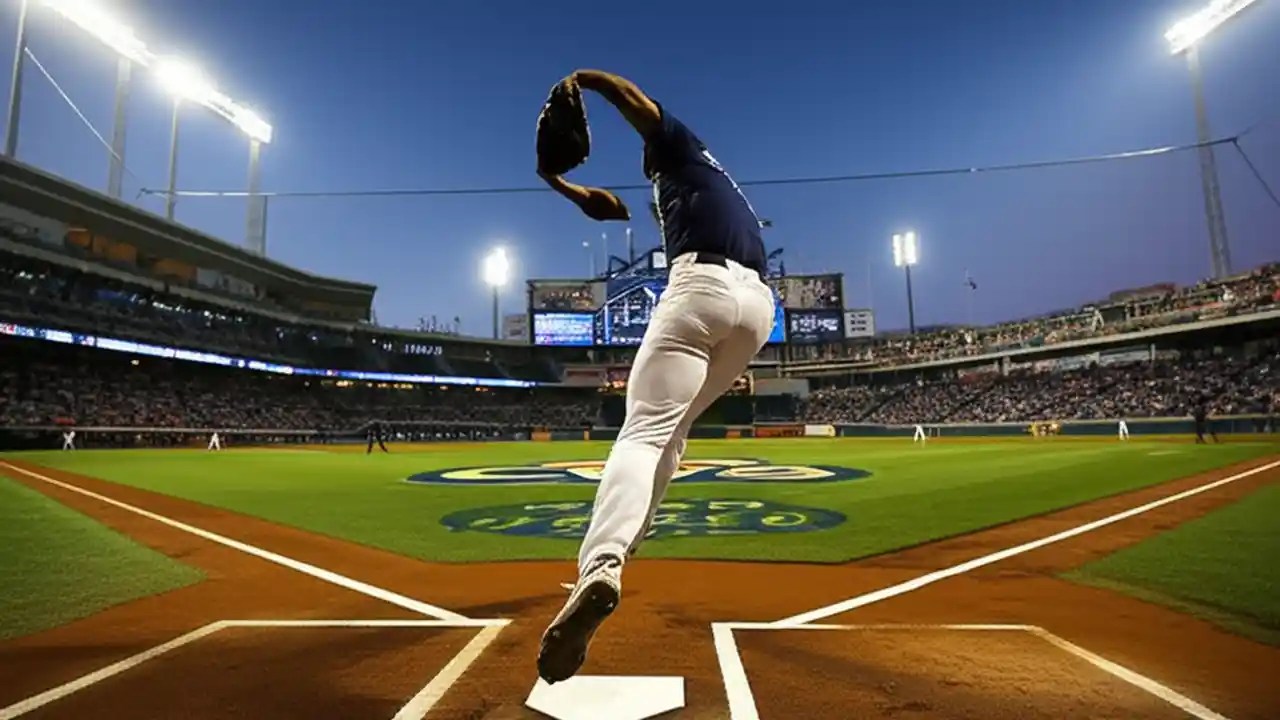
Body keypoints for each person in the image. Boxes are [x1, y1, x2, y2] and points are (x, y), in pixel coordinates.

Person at [535, 69, 775, 684]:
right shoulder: (714, 183)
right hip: (756, 311)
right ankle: (620, 554)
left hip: (703, 290)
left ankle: (601, 567)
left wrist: (583, 79)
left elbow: (638, 103)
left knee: (642, 434)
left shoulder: (680, 150)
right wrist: (562, 184)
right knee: (671, 436)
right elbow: (612, 199)